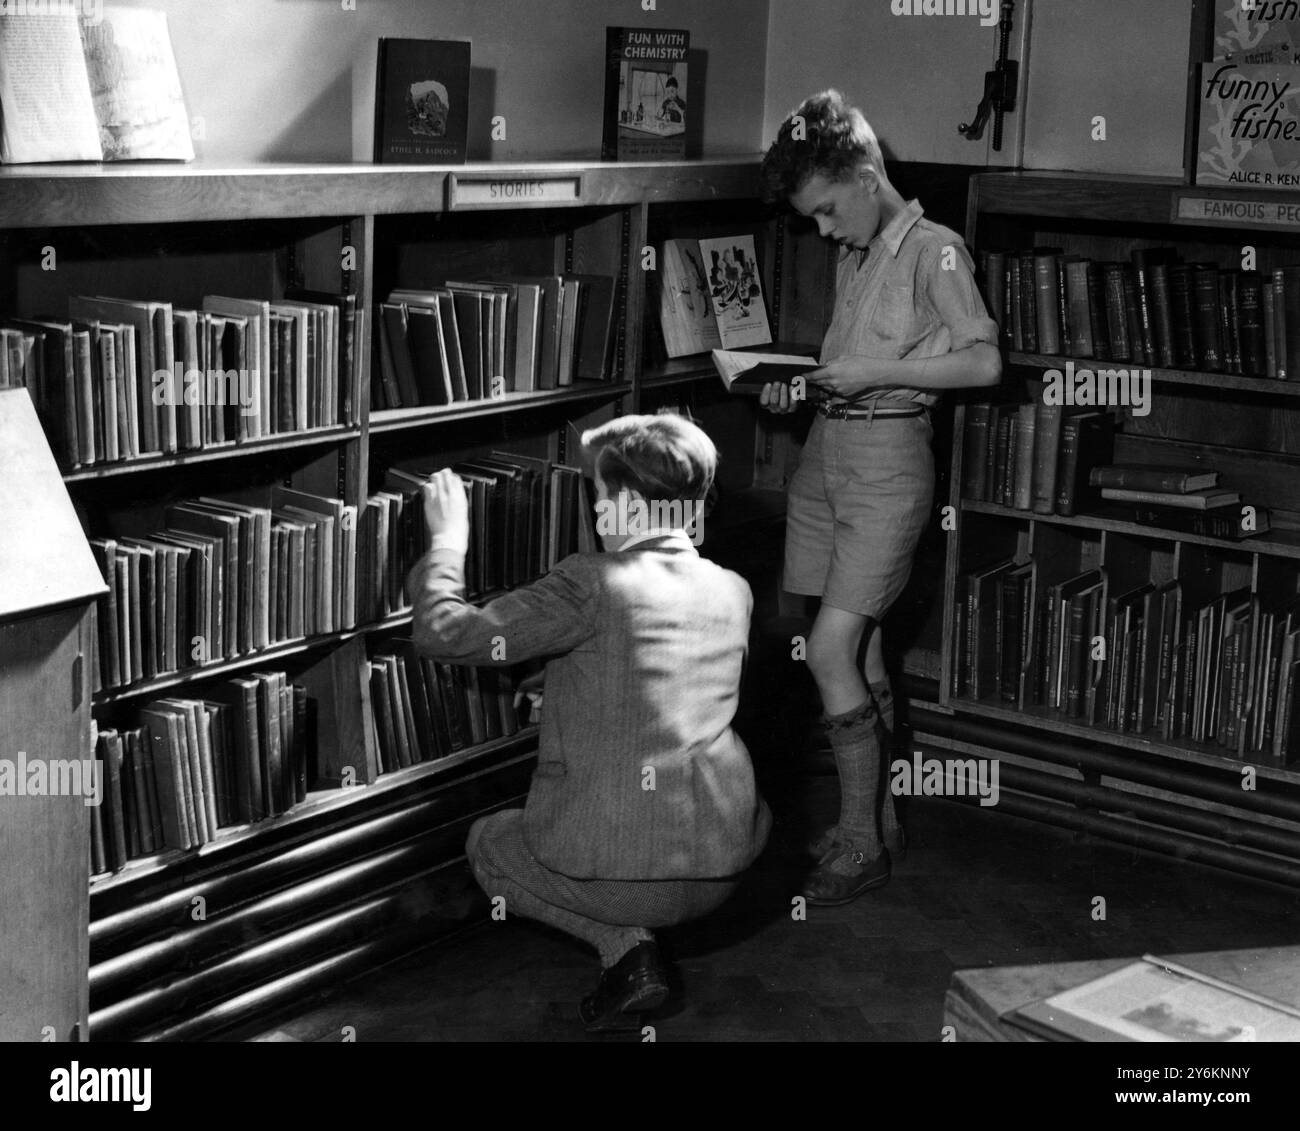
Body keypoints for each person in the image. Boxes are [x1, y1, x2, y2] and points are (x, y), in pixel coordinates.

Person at [409, 413, 772, 1032]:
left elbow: (443, 634)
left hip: (626, 882)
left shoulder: (593, 581)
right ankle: (634, 951)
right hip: (728, 860)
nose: (598, 513)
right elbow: (660, 666)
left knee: (490, 842)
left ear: (629, 503)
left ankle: (625, 946)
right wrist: (560, 684)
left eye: (600, 497)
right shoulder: (731, 588)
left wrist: (447, 544)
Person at [758, 90, 1001, 906]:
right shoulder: (854, 251)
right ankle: (881, 818)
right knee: (854, 651)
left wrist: (873, 374)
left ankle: (860, 845)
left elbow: (983, 365)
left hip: (892, 461)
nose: (823, 231)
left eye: (827, 210)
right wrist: (805, 389)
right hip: (830, 451)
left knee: (830, 651)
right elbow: (852, 358)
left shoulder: (936, 252)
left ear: (866, 176)